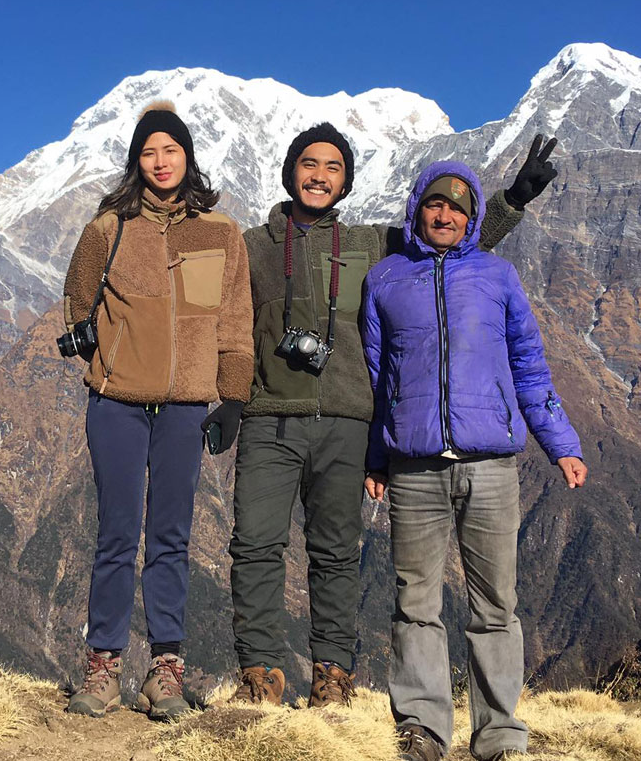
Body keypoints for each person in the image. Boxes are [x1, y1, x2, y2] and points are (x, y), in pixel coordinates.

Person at [229, 125, 559, 707]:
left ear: (345, 181)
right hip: (269, 417)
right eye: (309, 164)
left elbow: (449, 248)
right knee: (256, 545)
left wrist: (511, 202)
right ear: (289, 171)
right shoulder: (250, 246)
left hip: (350, 420)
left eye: (333, 167)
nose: (319, 176)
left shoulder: (371, 246)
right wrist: (227, 396)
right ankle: (261, 673)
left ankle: (332, 675)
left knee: (335, 552)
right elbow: (222, 322)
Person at [359, 160, 587, 761]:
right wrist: (378, 455)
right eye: (435, 206)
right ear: (417, 210)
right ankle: (422, 730)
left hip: (491, 464)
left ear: (473, 217)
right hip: (413, 468)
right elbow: (380, 381)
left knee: (495, 605)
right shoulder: (385, 281)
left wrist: (560, 443)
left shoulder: (498, 276)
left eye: (457, 209)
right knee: (416, 602)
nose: (445, 216)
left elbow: (530, 366)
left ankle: (500, 737)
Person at [61, 100, 252, 720]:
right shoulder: (108, 229)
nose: (161, 161)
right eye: (149, 151)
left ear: (188, 157)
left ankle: (165, 670)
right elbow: (77, 294)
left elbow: (234, 321)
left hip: (184, 407)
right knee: (116, 534)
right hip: (115, 401)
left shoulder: (220, 233)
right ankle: (103, 667)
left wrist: (234, 397)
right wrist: (99, 345)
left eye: (171, 150)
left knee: (170, 537)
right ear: (136, 160)